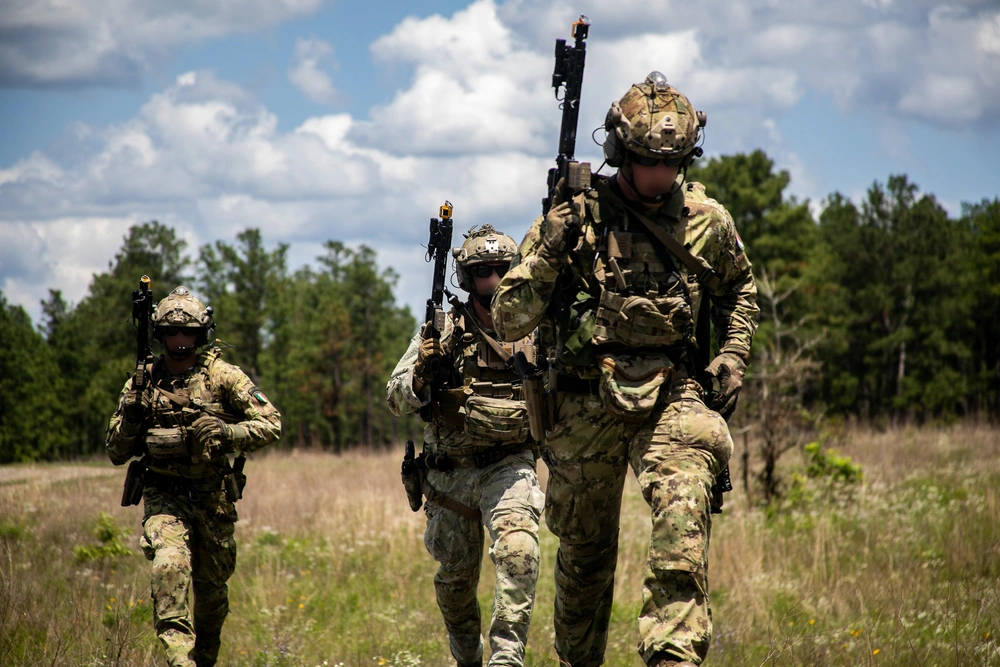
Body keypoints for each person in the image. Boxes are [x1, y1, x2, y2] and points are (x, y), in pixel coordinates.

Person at [491, 72, 759, 667]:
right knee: (586, 556)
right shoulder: (576, 217)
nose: (660, 175)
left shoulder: (706, 220)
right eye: (646, 162)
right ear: (620, 153)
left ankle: (672, 654)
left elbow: (740, 291)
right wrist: (552, 247)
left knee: (684, 498)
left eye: (674, 162)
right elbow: (509, 319)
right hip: (585, 403)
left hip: (674, 393)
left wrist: (731, 355)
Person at [387, 225, 545, 667]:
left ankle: (507, 658)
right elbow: (395, 396)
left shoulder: (537, 328)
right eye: (481, 272)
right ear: (465, 277)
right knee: (455, 583)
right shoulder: (444, 329)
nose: (492, 280)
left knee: (519, 551)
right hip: (449, 471)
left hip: (509, 465)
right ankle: (467, 658)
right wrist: (423, 376)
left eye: (500, 270)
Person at [106, 286, 282, 667]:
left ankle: (203, 659)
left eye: (187, 333)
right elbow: (115, 452)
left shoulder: (222, 377)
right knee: (169, 566)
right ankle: (179, 660)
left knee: (212, 596)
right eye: (171, 332)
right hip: (163, 498)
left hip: (213, 501)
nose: (180, 341)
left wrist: (227, 433)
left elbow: (272, 423)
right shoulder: (142, 383)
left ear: (201, 334)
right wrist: (132, 418)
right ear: (160, 334)